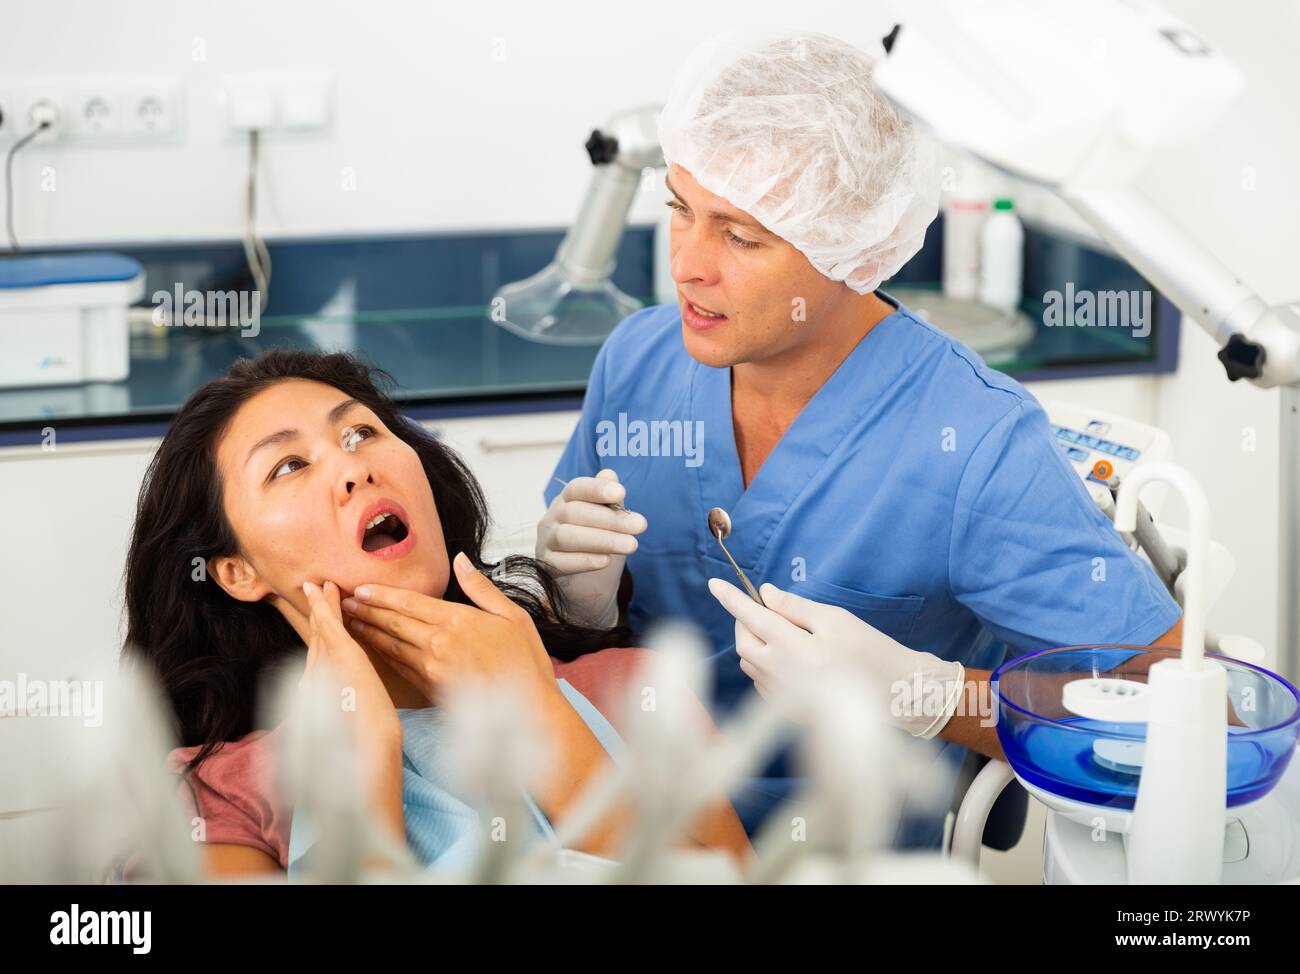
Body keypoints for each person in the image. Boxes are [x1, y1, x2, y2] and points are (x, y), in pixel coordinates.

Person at [537, 28, 1183, 845]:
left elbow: (1180, 704)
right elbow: (582, 653)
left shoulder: (973, 440)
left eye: (741, 236)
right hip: (613, 831)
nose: (689, 264)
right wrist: (578, 602)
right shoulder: (638, 360)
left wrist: (933, 695)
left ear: (857, 249)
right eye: (678, 207)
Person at [123, 349, 749, 876]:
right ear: (237, 572)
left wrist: (542, 716)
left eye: (361, 433)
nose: (352, 465)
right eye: (289, 465)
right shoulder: (211, 797)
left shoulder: (628, 689)